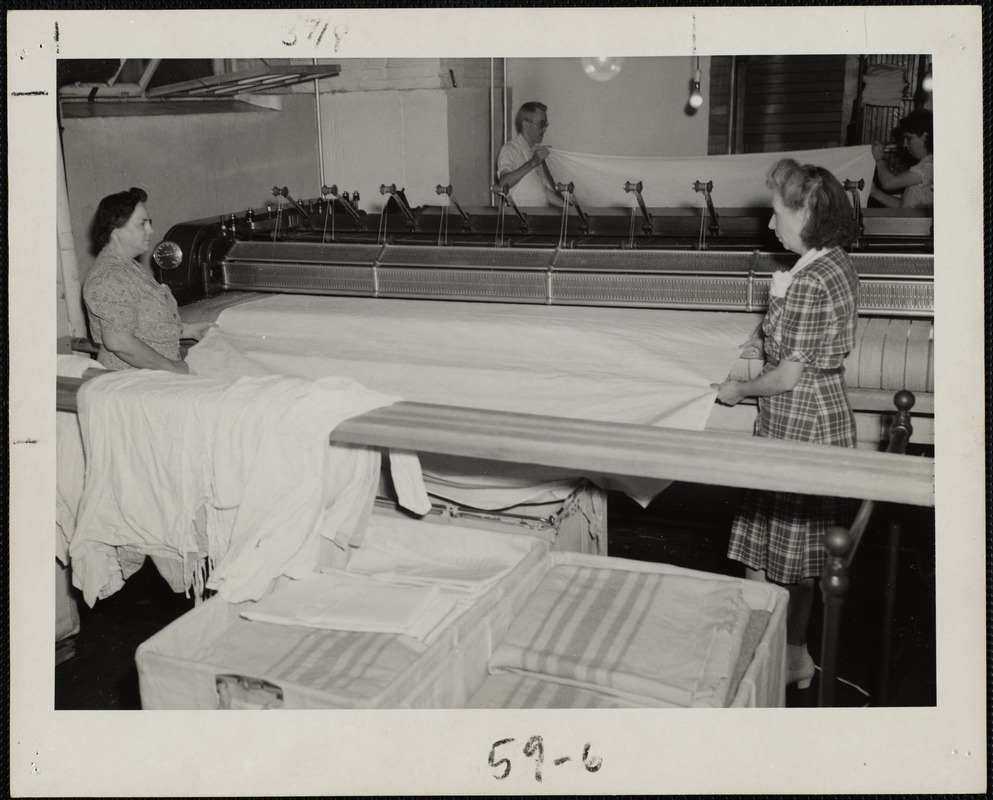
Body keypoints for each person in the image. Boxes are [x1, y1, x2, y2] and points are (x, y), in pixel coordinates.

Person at [710, 159, 859, 690]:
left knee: (775, 553)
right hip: (818, 414)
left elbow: (787, 377)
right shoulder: (830, 263)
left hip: (800, 420)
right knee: (789, 552)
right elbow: (801, 342)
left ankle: (768, 660)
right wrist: (758, 340)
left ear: (808, 214)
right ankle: (790, 655)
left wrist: (737, 390)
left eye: (778, 214)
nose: (770, 226)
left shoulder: (809, 282)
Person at [83, 187, 212, 373]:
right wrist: (172, 367)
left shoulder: (128, 266)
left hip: (155, 376)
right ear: (115, 229)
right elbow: (120, 342)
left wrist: (188, 330)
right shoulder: (110, 276)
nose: (150, 230)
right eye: (141, 224)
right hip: (132, 383)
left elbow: (144, 326)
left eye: (149, 223)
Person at [496, 101, 564, 207]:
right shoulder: (510, 149)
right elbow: (504, 183)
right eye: (541, 125)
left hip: (537, 218)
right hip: (521, 218)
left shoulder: (533, 151)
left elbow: (542, 190)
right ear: (526, 125)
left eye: (545, 125)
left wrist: (568, 209)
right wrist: (532, 162)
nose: (544, 130)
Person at [870, 109, 933, 209]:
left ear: (925, 136)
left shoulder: (930, 165)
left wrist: (879, 158)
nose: (904, 144)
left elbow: (888, 183)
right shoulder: (926, 163)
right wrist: (874, 192)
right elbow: (903, 206)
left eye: (908, 138)